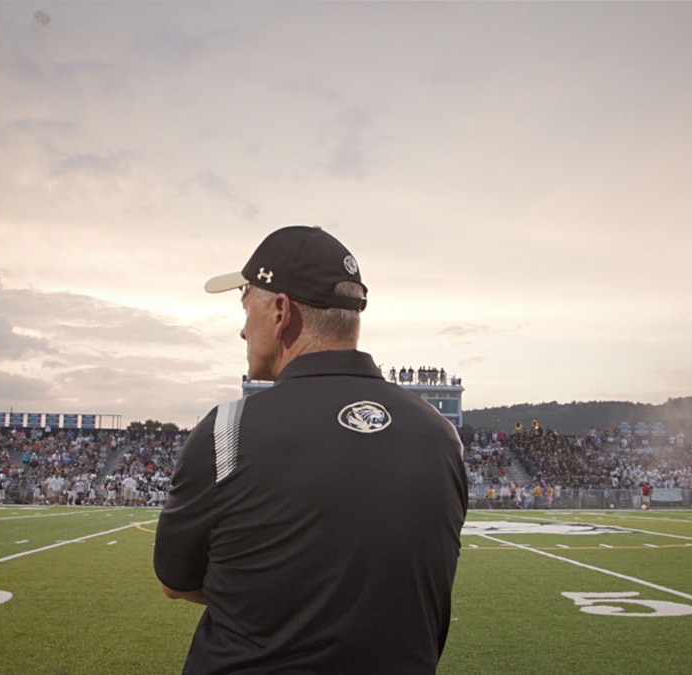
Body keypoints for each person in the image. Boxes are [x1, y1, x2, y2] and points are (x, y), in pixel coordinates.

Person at [154, 225, 468, 674]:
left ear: (281, 311)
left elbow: (175, 582)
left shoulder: (227, 430)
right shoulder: (440, 435)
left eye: (246, 308)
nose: (243, 331)